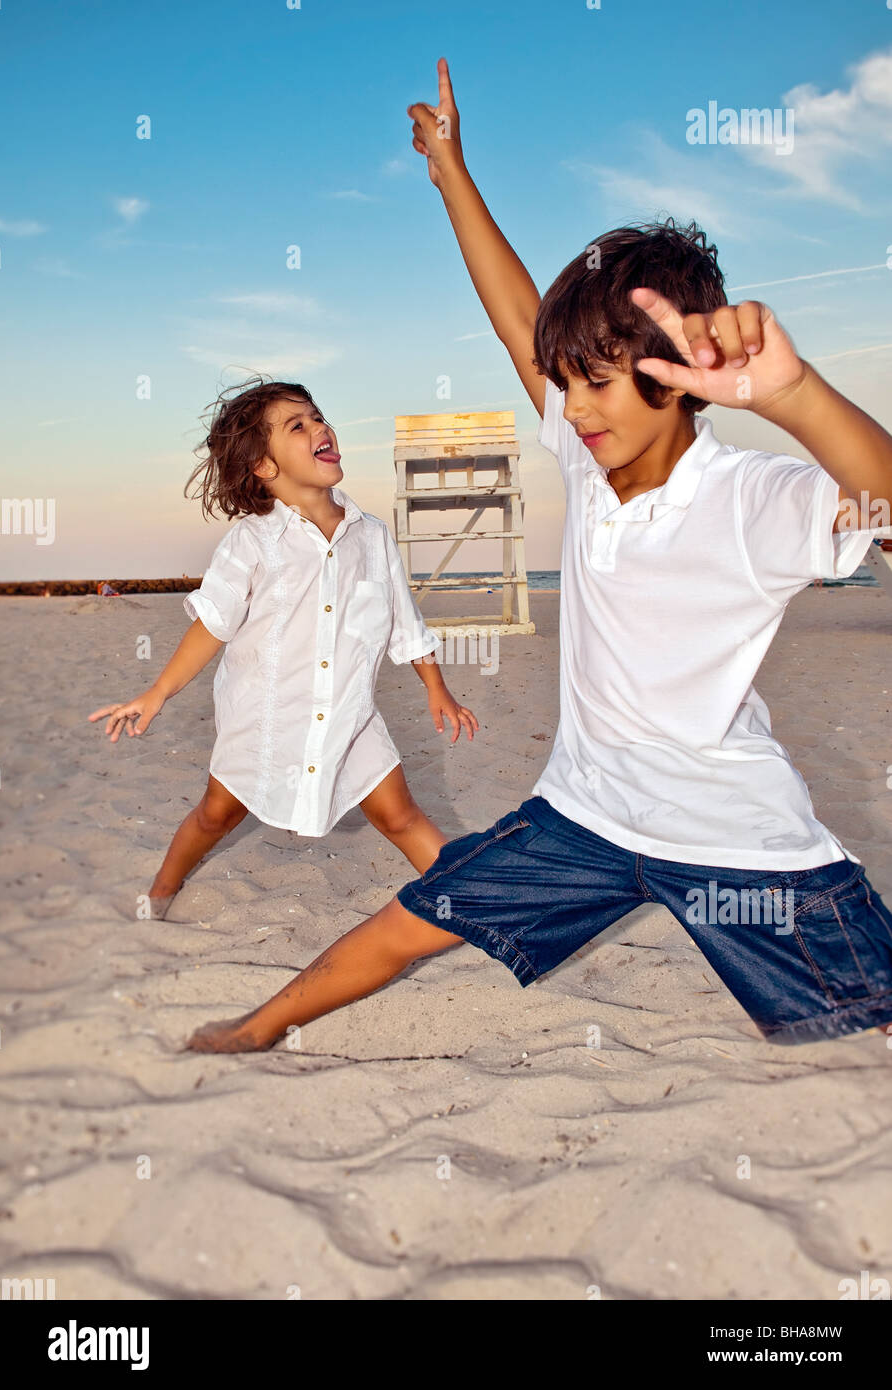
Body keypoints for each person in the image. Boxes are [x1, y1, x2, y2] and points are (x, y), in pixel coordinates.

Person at [185, 59, 892, 1054]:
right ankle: (257, 1029)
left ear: (684, 378)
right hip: (583, 818)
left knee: (871, 1004)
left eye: (600, 382)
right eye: (567, 383)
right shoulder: (586, 446)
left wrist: (793, 394)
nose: (577, 407)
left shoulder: (748, 500)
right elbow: (518, 317)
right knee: (411, 922)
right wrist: (451, 174)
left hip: (739, 842)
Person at [89, 376, 478, 920]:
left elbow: (400, 620)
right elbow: (213, 625)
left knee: (401, 815)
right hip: (265, 716)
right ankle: (162, 889)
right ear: (265, 467)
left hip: (349, 711)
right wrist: (158, 693)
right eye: (298, 425)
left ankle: (475, 905)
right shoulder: (251, 541)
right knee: (216, 815)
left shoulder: (371, 535)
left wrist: (437, 688)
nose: (320, 426)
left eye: (318, 415)